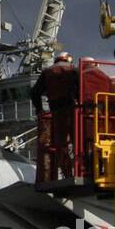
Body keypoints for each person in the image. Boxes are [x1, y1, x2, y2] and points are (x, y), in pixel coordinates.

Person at [31, 52, 78, 180]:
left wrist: (39, 110)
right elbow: (80, 89)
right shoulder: (73, 70)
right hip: (73, 111)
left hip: (57, 112)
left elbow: (34, 92)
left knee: (61, 144)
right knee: (78, 142)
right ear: (68, 59)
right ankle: (80, 171)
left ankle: (67, 174)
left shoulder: (47, 72)